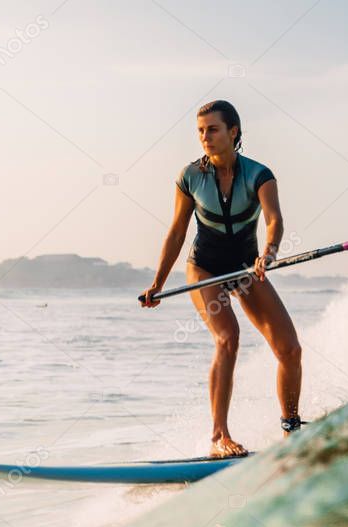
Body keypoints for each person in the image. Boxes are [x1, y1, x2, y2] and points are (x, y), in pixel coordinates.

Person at [140, 100, 303, 458]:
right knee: (228, 338)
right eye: (200, 131)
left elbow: (274, 219)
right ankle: (219, 436)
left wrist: (269, 253)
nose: (204, 137)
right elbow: (177, 232)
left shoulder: (259, 174)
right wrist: (158, 283)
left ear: (234, 132)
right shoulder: (190, 177)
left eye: (212, 129)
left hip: (247, 268)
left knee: (290, 349)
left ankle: (291, 428)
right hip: (205, 268)